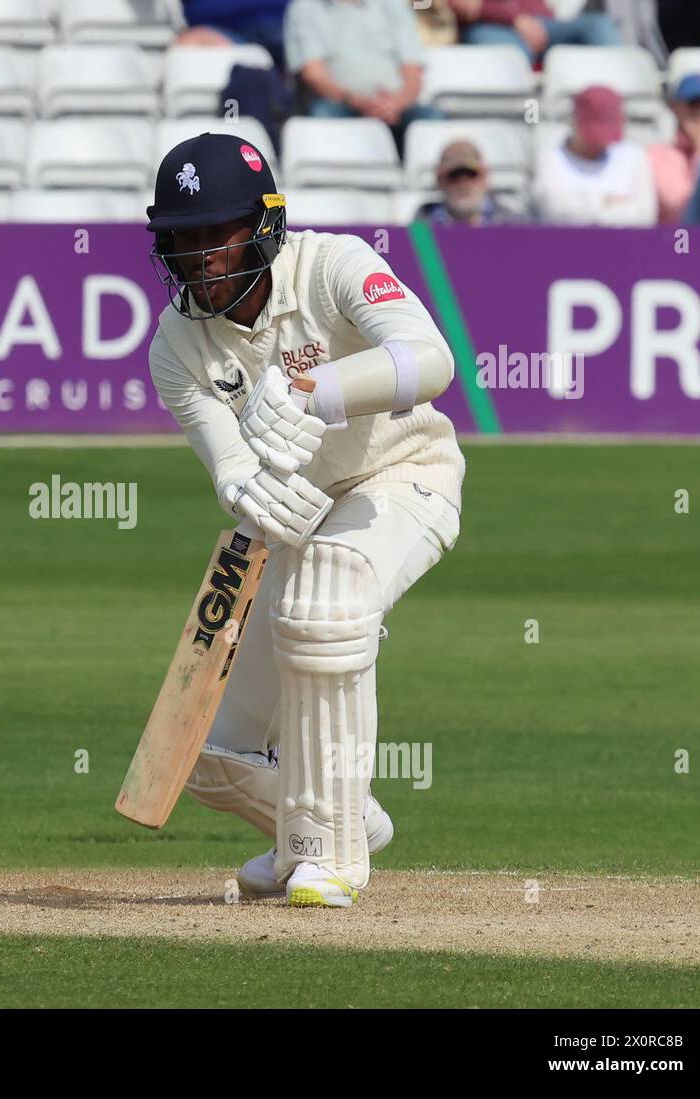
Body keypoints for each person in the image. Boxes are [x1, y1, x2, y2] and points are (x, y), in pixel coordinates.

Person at [145, 133, 464, 908]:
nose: (200, 261)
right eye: (182, 242)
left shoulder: (335, 266)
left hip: (403, 475)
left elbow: (432, 360)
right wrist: (245, 492)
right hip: (297, 518)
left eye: (215, 237)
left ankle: (327, 853)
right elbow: (231, 466)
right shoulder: (176, 344)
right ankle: (320, 825)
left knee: (329, 594)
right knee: (206, 753)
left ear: (263, 224)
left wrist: (308, 389)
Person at [285, 0, 445, 151]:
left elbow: (413, 72)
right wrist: (356, 101)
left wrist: (395, 104)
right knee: (323, 114)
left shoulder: (393, 4)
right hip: (341, 104)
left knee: (432, 117)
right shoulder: (305, 7)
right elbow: (313, 74)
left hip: (397, 106)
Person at [533, 85, 657, 225]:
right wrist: (608, 202)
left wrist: (585, 204)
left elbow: (644, 216)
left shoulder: (634, 155)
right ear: (574, 120)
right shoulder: (550, 155)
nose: (598, 143)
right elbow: (554, 210)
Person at [649, 73, 700, 225]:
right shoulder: (657, 156)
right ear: (675, 109)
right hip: (680, 244)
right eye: (693, 105)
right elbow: (678, 205)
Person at [450, 0, 621, 62]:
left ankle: (617, 102)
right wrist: (516, 19)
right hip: (491, 27)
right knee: (512, 54)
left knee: (599, 25)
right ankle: (522, 115)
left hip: (545, 25)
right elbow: (464, 5)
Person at [416, 139, 522, 224]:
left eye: (472, 174)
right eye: (454, 175)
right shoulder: (422, 225)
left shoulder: (510, 224)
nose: (463, 184)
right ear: (439, 180)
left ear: (485, 177)